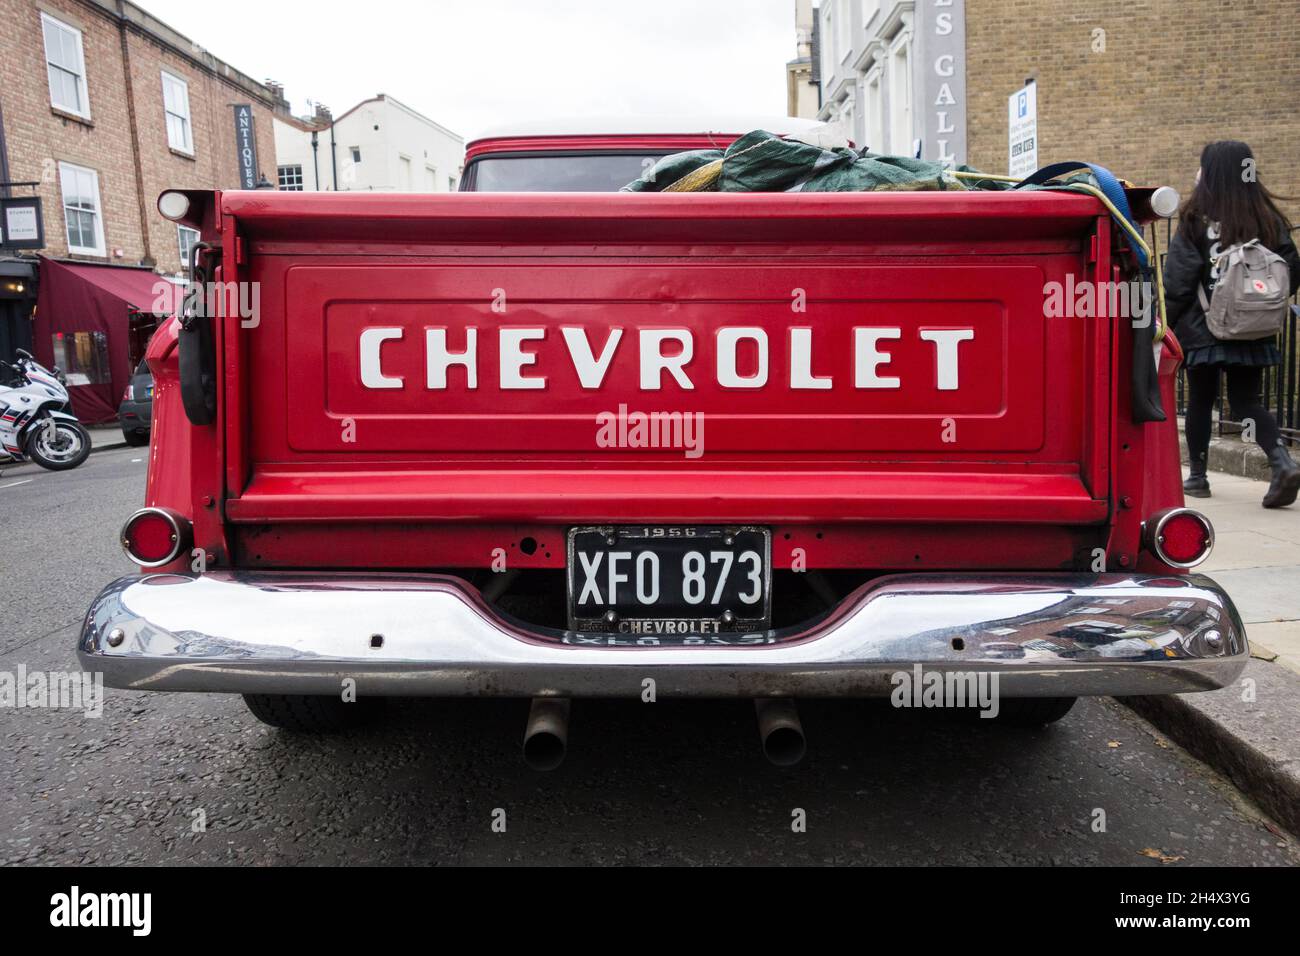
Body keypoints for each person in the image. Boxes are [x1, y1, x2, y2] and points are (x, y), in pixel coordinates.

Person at [1163, 141, 1300, 508]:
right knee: (1246, 402)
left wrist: (1165, 326)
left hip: (1203, 326)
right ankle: (1282, 461)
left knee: (1201, 400)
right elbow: (1291, 268)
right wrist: (1262, 303)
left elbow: (1178, 282)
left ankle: (1198, 477)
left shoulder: (1196, 217)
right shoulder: (1265, 217)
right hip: (1252, 327)